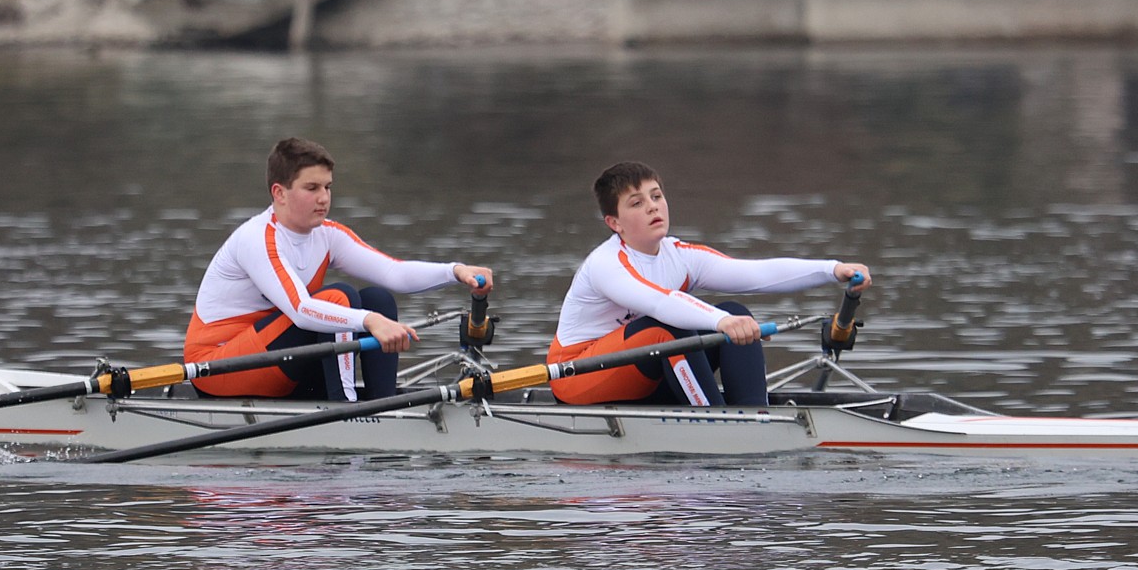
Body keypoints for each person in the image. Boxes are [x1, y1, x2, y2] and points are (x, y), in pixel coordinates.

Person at [185, 137, 494, 401]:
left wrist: (455, 271)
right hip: (219, 368)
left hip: (273, 360)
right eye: (311, 188)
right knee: (340, 298)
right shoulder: (257, 239)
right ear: (279, 193)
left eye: (328, 187)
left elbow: (394, 273)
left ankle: (381, 408)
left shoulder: (328, 234)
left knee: (378, 299)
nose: (324, 198)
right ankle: (347, 409)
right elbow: (301, 310)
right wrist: (371, 322)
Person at [548, 160, 871, 408]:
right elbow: (662, 304)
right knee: (672, 328)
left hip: (641, 373)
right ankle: (715, 423)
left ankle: (754, 416)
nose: (652, 206)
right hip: (579, 375)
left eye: (656, 196)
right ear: (614, 223)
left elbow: (756, 275)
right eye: (636, 203)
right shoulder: (607, 265)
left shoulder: (682, 255)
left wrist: (832, 269)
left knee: (734, 309)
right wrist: (723, 322)